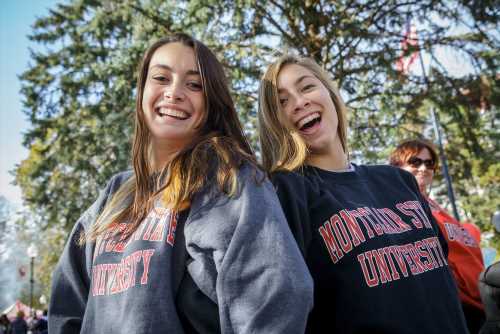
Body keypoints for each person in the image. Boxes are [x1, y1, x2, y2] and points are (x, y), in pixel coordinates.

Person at [49, 34, 313, 334]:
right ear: (142, 91)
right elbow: (66, 307)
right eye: (161, 77)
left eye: (194, 84)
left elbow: (276, 293)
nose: (174, 93)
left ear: (211, 102)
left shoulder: (228, 179)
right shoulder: (114, 194)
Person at [258, 54, 468, 333]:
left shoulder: (399, 180)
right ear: (275, 121)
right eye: (282, 101)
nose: (299, 102)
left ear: (329, 93)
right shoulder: (285, 190)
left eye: (306, 87)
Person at [390, 139, 486, 333]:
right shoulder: (397, 206)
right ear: (397, 166)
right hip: (456, 307)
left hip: (483, 300)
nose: (424, 167)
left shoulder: (435, 207)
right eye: (415, 162)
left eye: (429, 162)